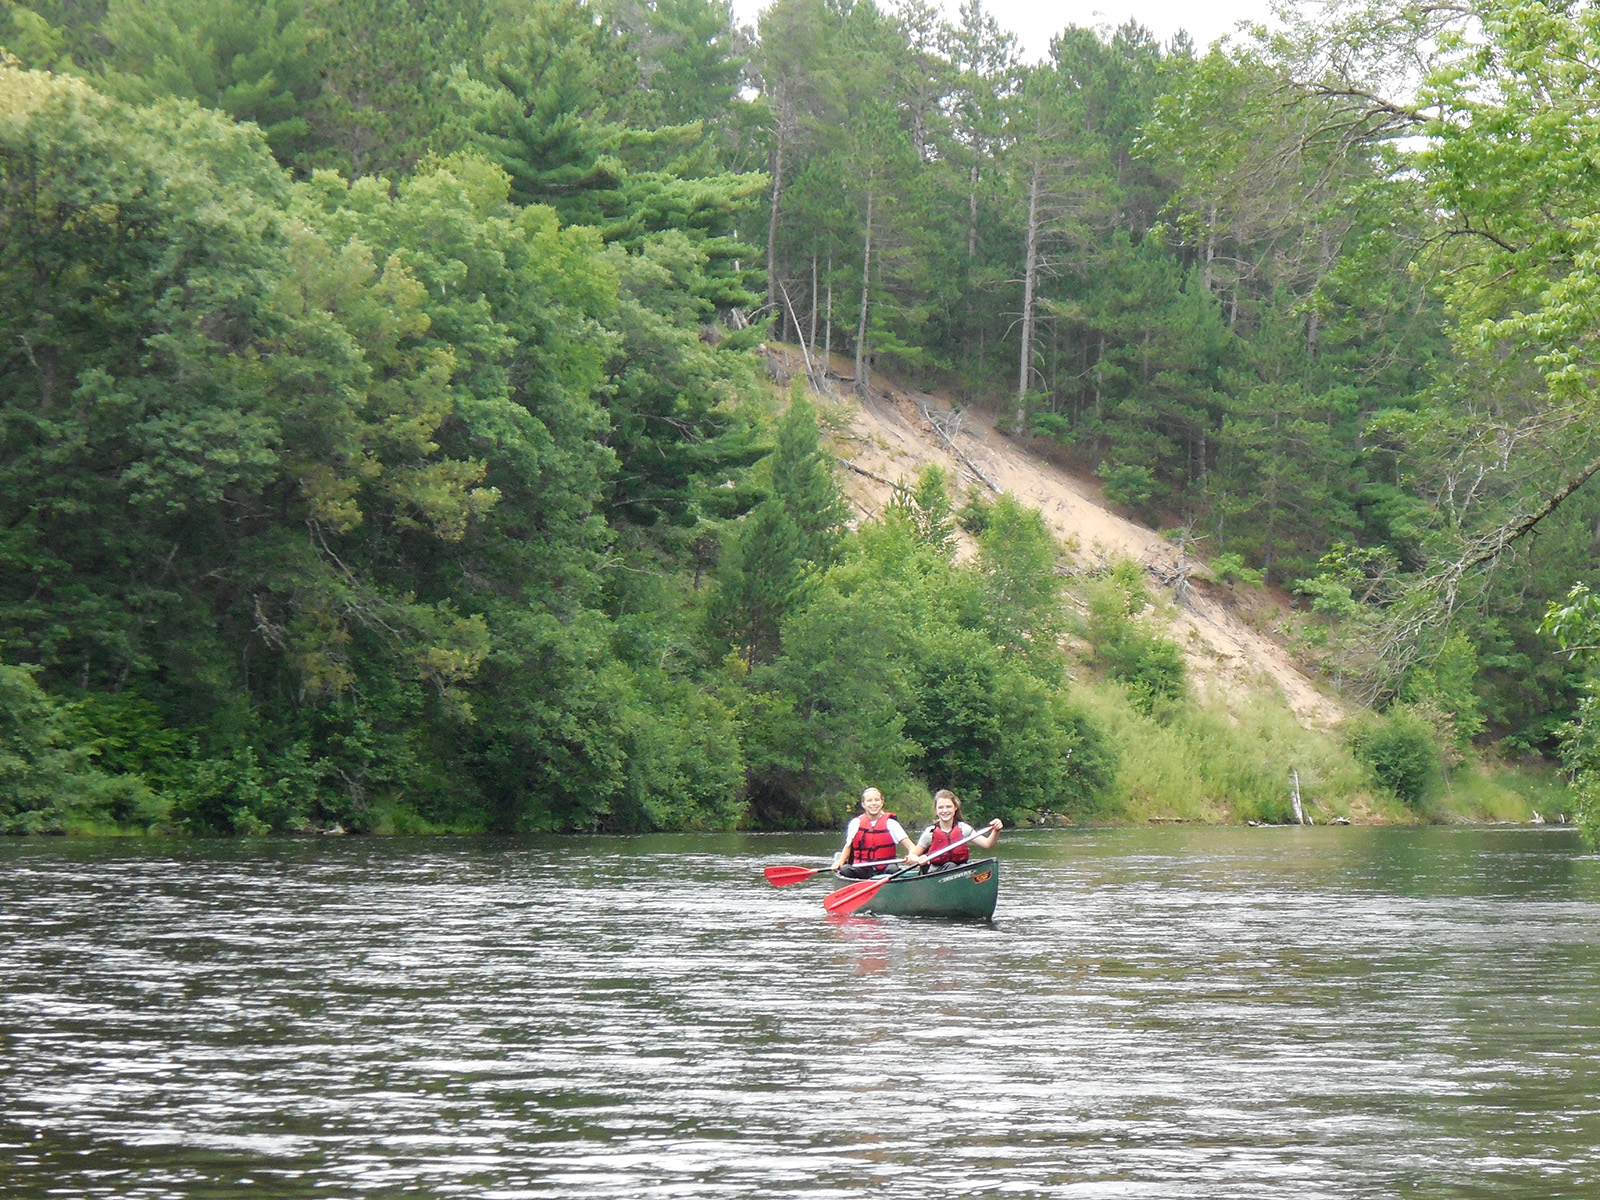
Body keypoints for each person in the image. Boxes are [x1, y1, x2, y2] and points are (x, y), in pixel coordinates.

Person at [832, 787, 918, 879]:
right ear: (863, 804)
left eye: (877, 800)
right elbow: (848, 846)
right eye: (869, 801)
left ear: (882, 802)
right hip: (862, 869)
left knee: (893, 870)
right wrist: (840, 862)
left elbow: (912, 847)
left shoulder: (891, 824)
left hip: (885, 870)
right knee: (845, 870)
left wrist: (911, 856)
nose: (873, 803)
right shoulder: (855, 823)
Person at [909, 789, 1001, 871]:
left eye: (948, 807)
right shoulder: (930, 833)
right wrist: (918, 859)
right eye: (941, 807)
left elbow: (988, 844)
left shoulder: (964, 829)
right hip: (937, 874)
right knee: (950, 866)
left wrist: (996, 831)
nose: (945, 811)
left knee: (962, 867)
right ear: (936, 810)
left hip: (961, 870)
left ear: (955, 807)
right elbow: (910, 857)